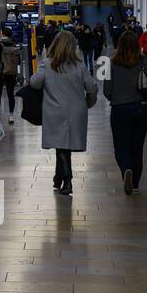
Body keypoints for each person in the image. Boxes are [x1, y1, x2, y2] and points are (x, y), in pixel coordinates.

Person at [29, 30, 97, 196]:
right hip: (76, 112)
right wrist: (88, 102)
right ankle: (58, 177)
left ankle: (67, 180)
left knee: (61, 145)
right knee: (63, 145)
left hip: (54, 112)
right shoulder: (80, 66)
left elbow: (35, 83)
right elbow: (92, 87)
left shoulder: (47, 64)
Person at [104, 30, 147, 195]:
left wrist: (118, 98)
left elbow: (107, 90)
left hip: (120, 109)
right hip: (141, 109)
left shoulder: (112, 64)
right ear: (137, 45)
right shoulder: (144, 61)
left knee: (121, 147)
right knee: (137, 147)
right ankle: (134, 184)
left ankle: (126, 169)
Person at [0, 26, 21, 124]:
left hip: (0, 72)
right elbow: (19, 61)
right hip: (11, 72)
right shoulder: (14, 43)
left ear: (3, 34)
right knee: (10, 94)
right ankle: (11, 115)